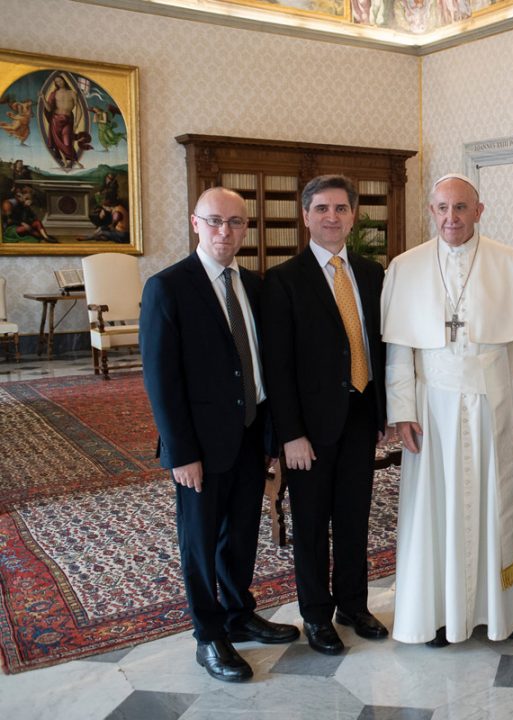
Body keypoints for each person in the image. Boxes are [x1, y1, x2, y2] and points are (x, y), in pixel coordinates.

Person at [381, 173, 513, 647]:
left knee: (501, 505)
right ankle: (438, 613)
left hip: (498, 407)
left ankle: (507, 611)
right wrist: (402, 412)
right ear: (431, 211)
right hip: (432, 413)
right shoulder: (406, 267)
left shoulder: (512, 263)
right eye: (441, 208)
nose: (450, 218)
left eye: (460, 208)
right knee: (435, 510)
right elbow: (400, 350)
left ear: (479, 211)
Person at [140, 187, 299, 682]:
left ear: (247, 228)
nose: (224, 232)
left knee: (241, 535)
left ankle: (238, 612)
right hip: (200, 448)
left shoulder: (254, 285)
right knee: (200, 541)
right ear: (195, 223)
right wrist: (181, 452)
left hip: (250, 437)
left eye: (234, 223)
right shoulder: (169, 287)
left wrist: (270, 437)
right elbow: (161, 381)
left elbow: (263, 367)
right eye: (214, 222)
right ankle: (209, 636)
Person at [261, 175, 388, 656]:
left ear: (353, 215)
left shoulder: (373, 274)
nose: (331, 217)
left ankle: (353, 605)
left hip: (360, 415)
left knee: (355, 517)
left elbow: (380, 347)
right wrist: (290, 434)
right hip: (309, 430)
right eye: (321, 209)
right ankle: (316, 615)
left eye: (340, 208)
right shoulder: (284, 280)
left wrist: (384, 412)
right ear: (305, 215)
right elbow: (279, 366)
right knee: (312, 525)